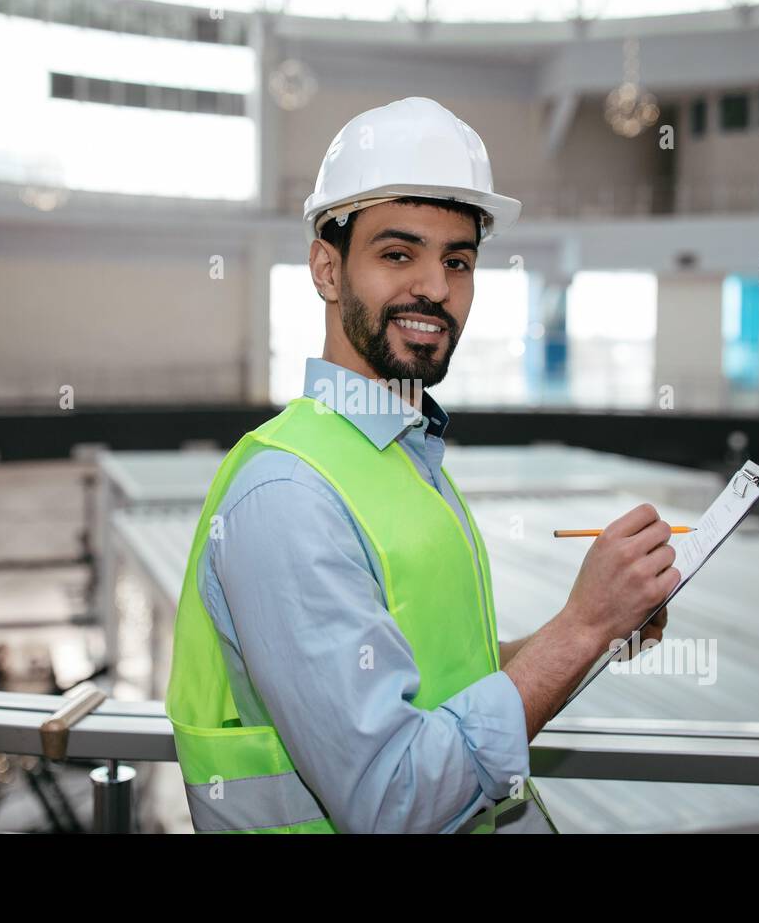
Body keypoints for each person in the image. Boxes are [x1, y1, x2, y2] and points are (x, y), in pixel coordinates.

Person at [167, 96, 678, 833]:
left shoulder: (404, 459)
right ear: (327, 267)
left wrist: (598, 624)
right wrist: (579, 627)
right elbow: (391, 798)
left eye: (457, 261)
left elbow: (443, 678)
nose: (435, 289)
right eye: (398, 253)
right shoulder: (288, 495)